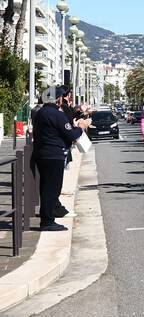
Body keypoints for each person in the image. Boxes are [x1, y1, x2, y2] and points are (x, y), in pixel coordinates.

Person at [31, 85, 88, 231]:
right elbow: (71, 134)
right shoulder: (57, 114)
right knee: (52, 188)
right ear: (57, 100)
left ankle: (48, 216)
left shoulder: (40, 113)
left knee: (45, 187)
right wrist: (81, 127)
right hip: (54, 155)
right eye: (61, 97)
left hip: (41, 154)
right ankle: (48, 221)